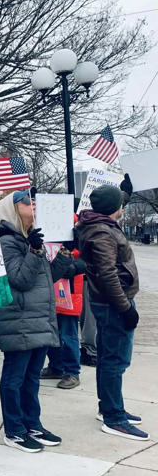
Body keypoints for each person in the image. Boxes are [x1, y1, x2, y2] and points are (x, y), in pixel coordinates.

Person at [0, 189, 73, 453]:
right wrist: (34, 250)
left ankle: (32, 424)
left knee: (31, 379)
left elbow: (45, 278)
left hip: (38, 320)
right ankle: (14, 430)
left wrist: (64, 254)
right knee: (15, 378)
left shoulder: (27, 240)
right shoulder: (7, 242)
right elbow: (20, 279)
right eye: (26, 202)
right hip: (20, 322)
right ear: (13, 210)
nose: (33, 206)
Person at [77, 179, 150, 441]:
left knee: (110, 358)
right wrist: (125, 308)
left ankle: (109, 407)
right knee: (115, 360)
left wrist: (126, 193)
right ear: (112, 208)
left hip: (109, 304)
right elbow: (108, 274)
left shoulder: (100, 223)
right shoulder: (102, 232)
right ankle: (114, 418)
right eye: (120, 203)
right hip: (112, 305)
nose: (123, 206)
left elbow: (113, 205)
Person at [40, 233, 87, 390]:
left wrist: (74, 267)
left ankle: (72, 372)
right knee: (51, 333)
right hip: (48, 288)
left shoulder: (75, 227)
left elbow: (87, 257)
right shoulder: (40, 224)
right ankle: (56, 366)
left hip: (70, 290)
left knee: (68, 334)